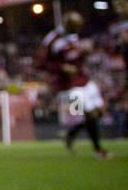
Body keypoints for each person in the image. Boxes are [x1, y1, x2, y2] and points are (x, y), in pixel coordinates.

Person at [38, 11, 110, 158]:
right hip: (68, 85)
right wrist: (62, 67)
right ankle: (98, 150)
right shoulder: (52, 40)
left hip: (84, 80)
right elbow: (40, 64)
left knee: (98, 113)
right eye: (75, 26)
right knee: (88, 114)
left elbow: (75, 58)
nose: (78, 29)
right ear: (66, 24)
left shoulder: (73, 36)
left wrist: (84, 53)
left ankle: (69, 135)